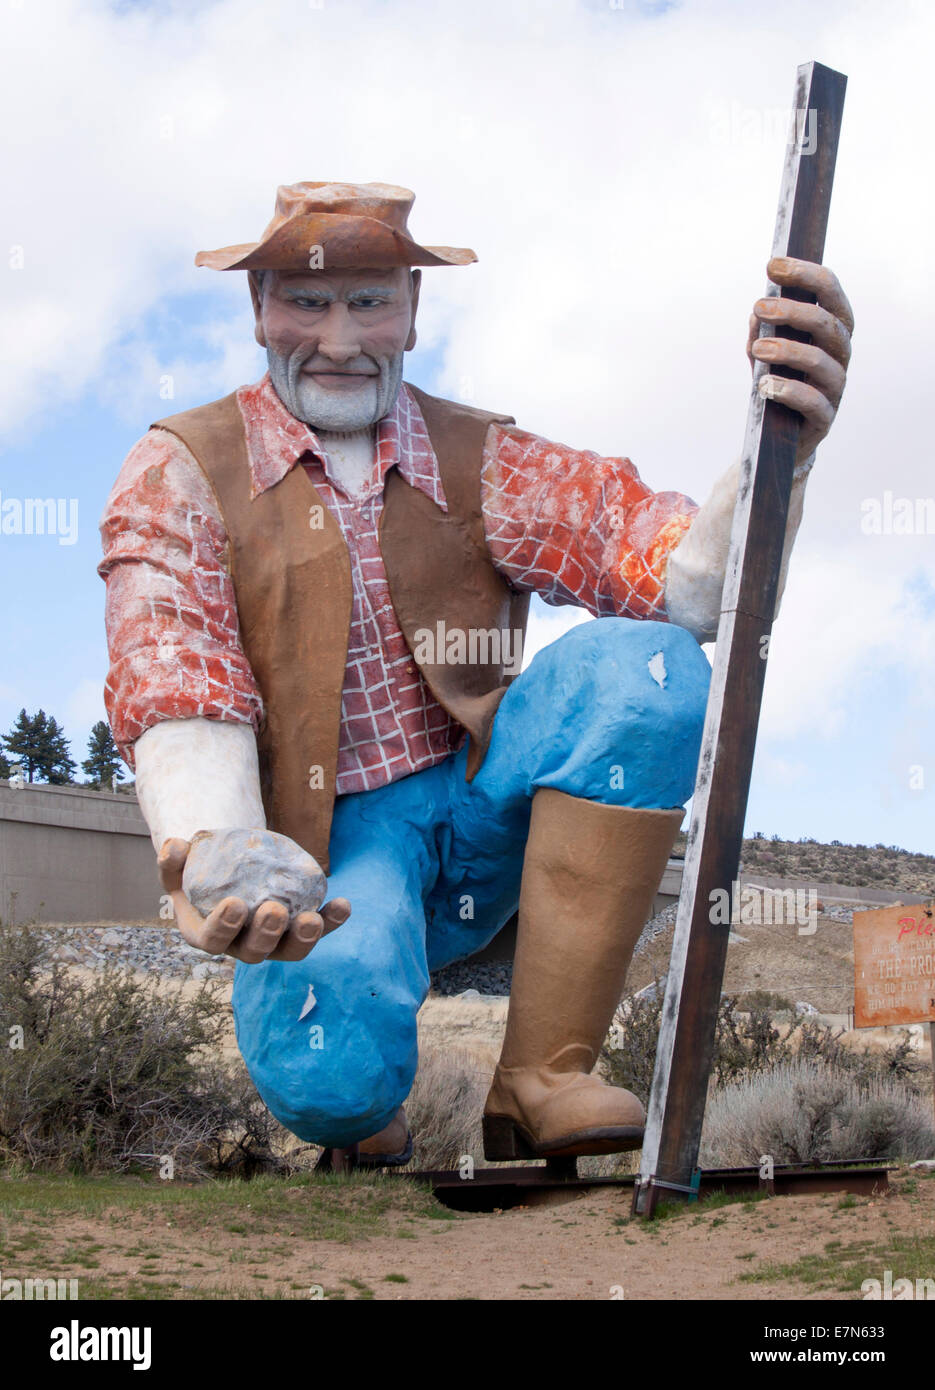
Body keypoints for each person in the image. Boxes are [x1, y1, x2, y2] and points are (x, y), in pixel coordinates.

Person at [98, 182, 852, 1162]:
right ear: (257, 311)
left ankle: (540, 1077)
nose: (336, 336)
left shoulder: (482, 458)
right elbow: (174, 663)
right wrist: (224, 853)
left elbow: (679, 582)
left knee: (652, 669)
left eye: (368, 301)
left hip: (476, 800)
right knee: (329, 1076)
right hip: (328, 857)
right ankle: (365, 1118)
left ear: (412, 306)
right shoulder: (181, 470)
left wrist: (777, 446)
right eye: (306, 301)